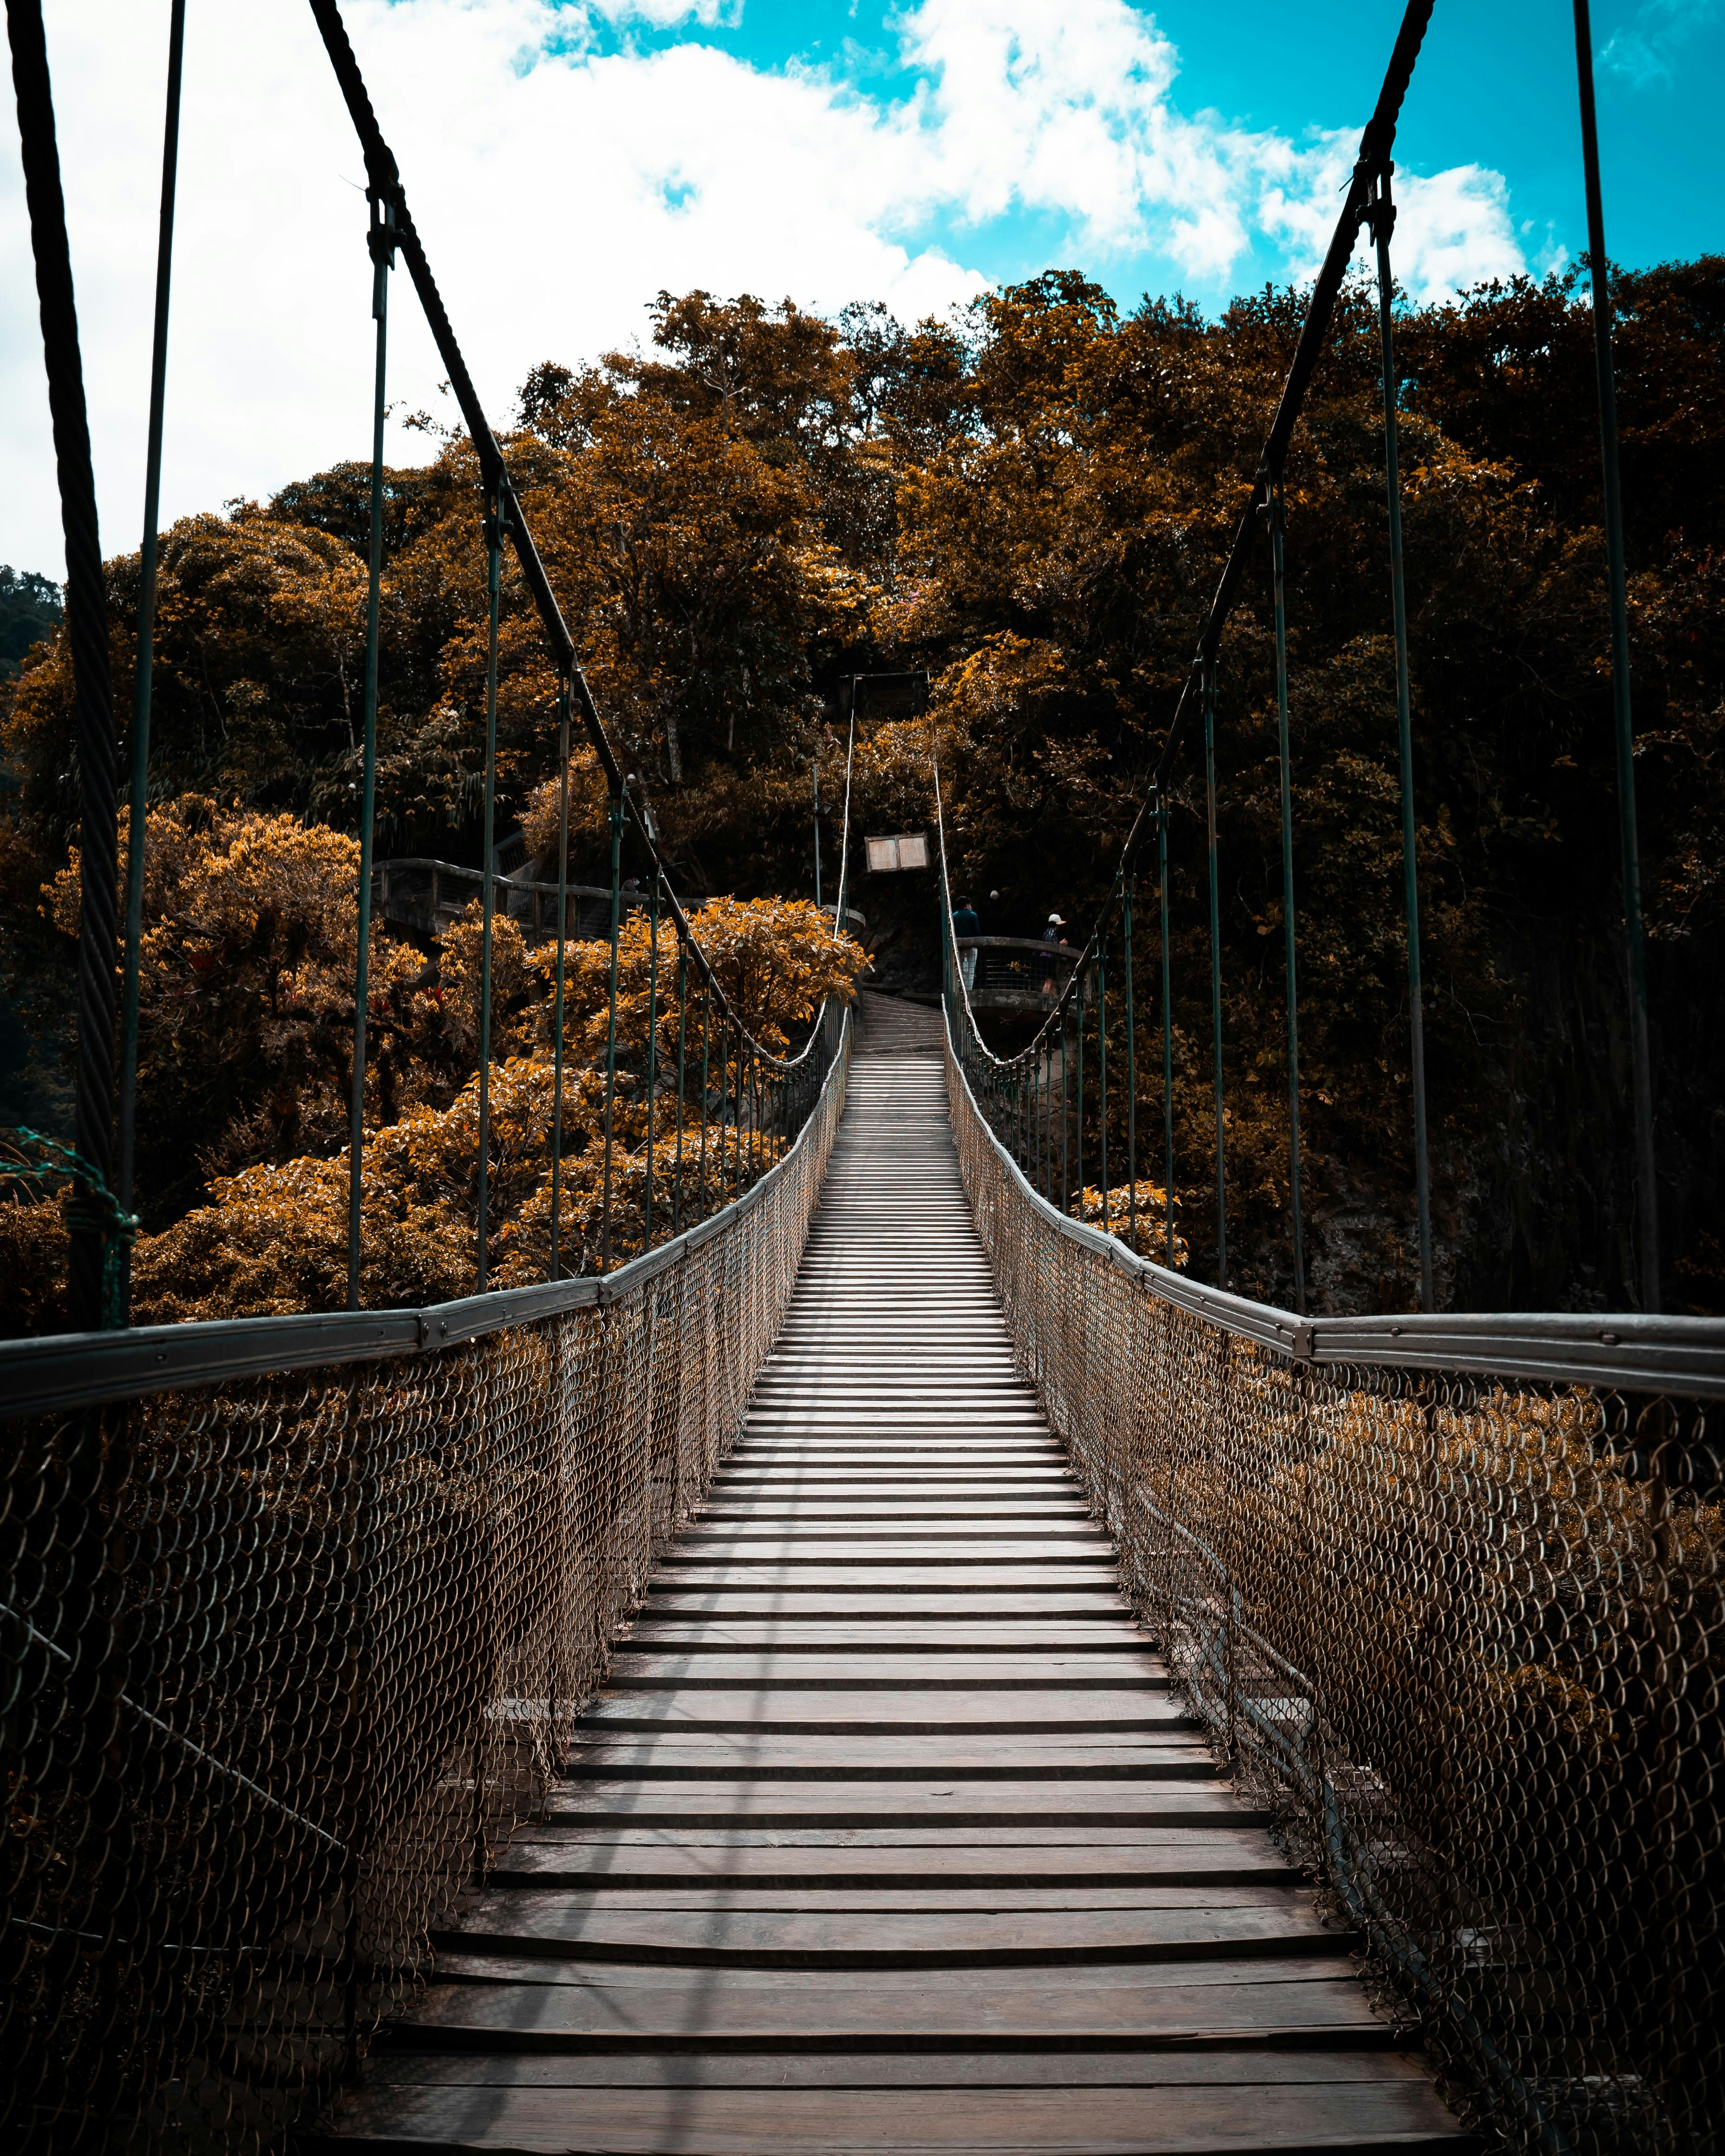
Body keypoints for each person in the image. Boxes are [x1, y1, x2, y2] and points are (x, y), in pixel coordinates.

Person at [951, 893, 981, 992]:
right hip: (971, 945)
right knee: (971, 970)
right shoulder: (973, 915)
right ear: (967, 905)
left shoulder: (953, 916)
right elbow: (977, 931)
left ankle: (958, 991)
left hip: (958, 946)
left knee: (959, 969)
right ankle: (968, 992)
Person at [1042, 911, 1067, 996]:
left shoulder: (1052, 932)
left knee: (1053, 981)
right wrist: (1060, 944)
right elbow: (1048, 944)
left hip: (1051, 958)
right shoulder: (1050, 931)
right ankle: (1045, 999)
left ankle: (1052, 999)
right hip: (1047, 958)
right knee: (1049, 980)